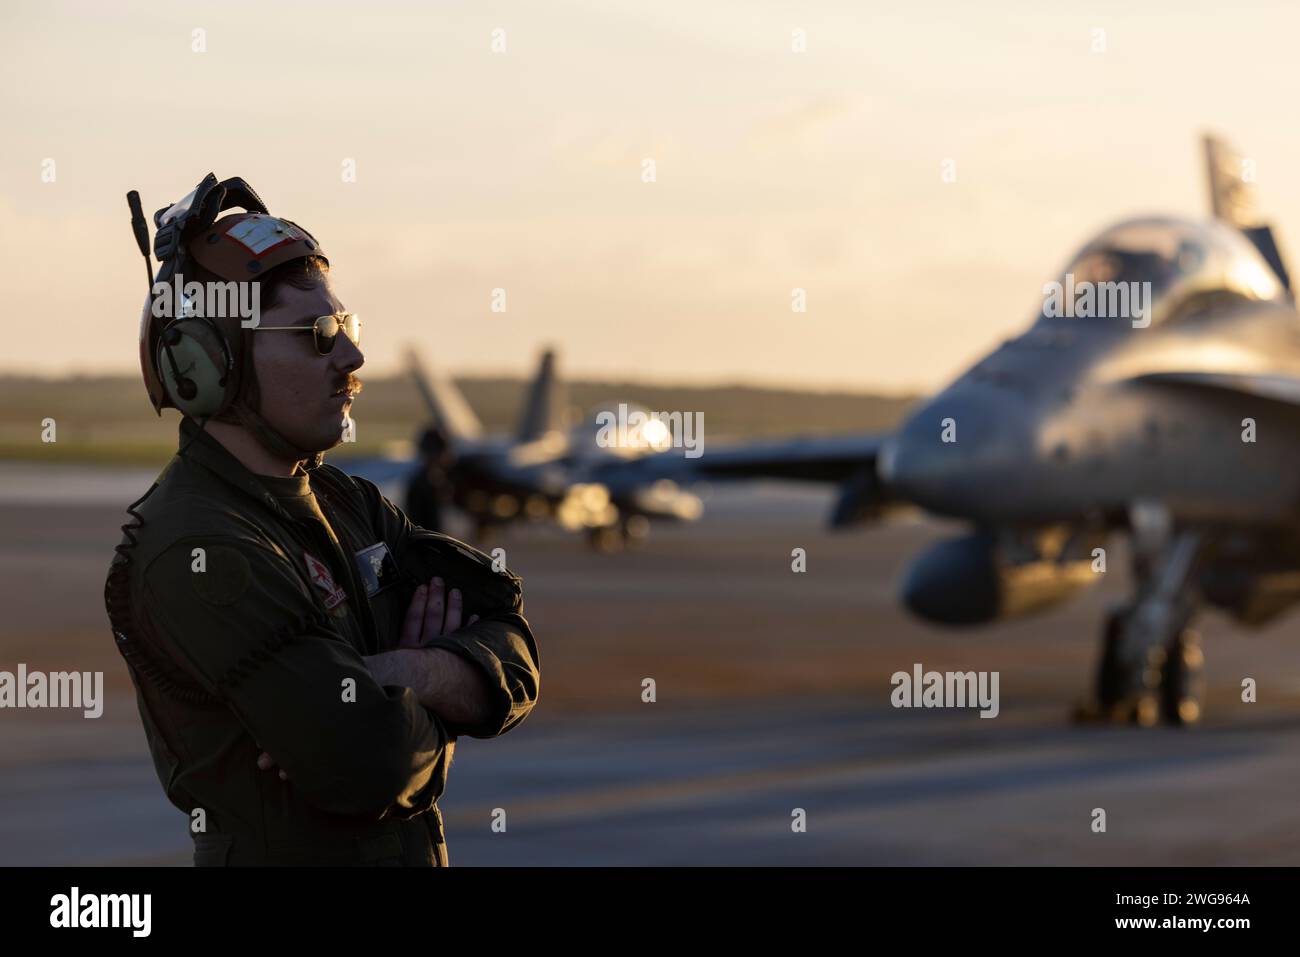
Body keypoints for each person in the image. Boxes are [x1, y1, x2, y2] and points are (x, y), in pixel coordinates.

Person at [105, 174, 540, 866]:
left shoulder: (348, 504)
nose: (353, 357)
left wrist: (406, 671)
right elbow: (369, 761)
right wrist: (444, 702)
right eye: (319, 333)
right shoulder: (201, 548)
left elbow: (510, 635)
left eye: (349, 327)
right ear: (209, 361)